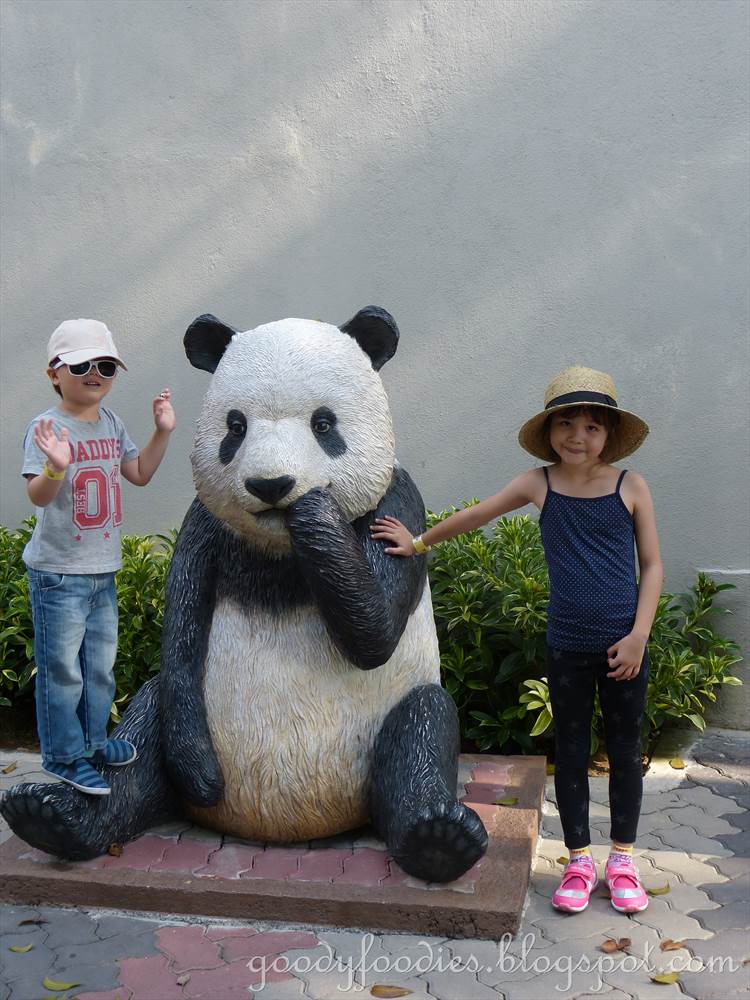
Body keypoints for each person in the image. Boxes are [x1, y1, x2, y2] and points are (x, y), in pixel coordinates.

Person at [370, 366, 662, 914]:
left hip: (625, 649)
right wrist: (419, 542)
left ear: (609, 434)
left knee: (624, 754)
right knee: (570, 753)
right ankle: (578, 860)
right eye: (567, 423)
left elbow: (652, 565)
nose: (578, 436)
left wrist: (639, 636)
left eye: (592, 426)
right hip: (568, 646)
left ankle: (621, 858)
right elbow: (479, 513)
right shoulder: (539, 483)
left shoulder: (631, 486)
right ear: (550, 429)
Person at [21, 318, 176, 796]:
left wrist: (162, 432)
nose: (95, 373)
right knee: (63, 671)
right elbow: (38, 497)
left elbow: (139, 473)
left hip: (101, 570)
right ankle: (64, 756)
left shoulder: (111, 423)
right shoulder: (47, 427)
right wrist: (55, 466)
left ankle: (93, 741)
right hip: (58, 574)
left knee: (98, 668)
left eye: (105, 365)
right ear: (55, 372)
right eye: (82, 364)